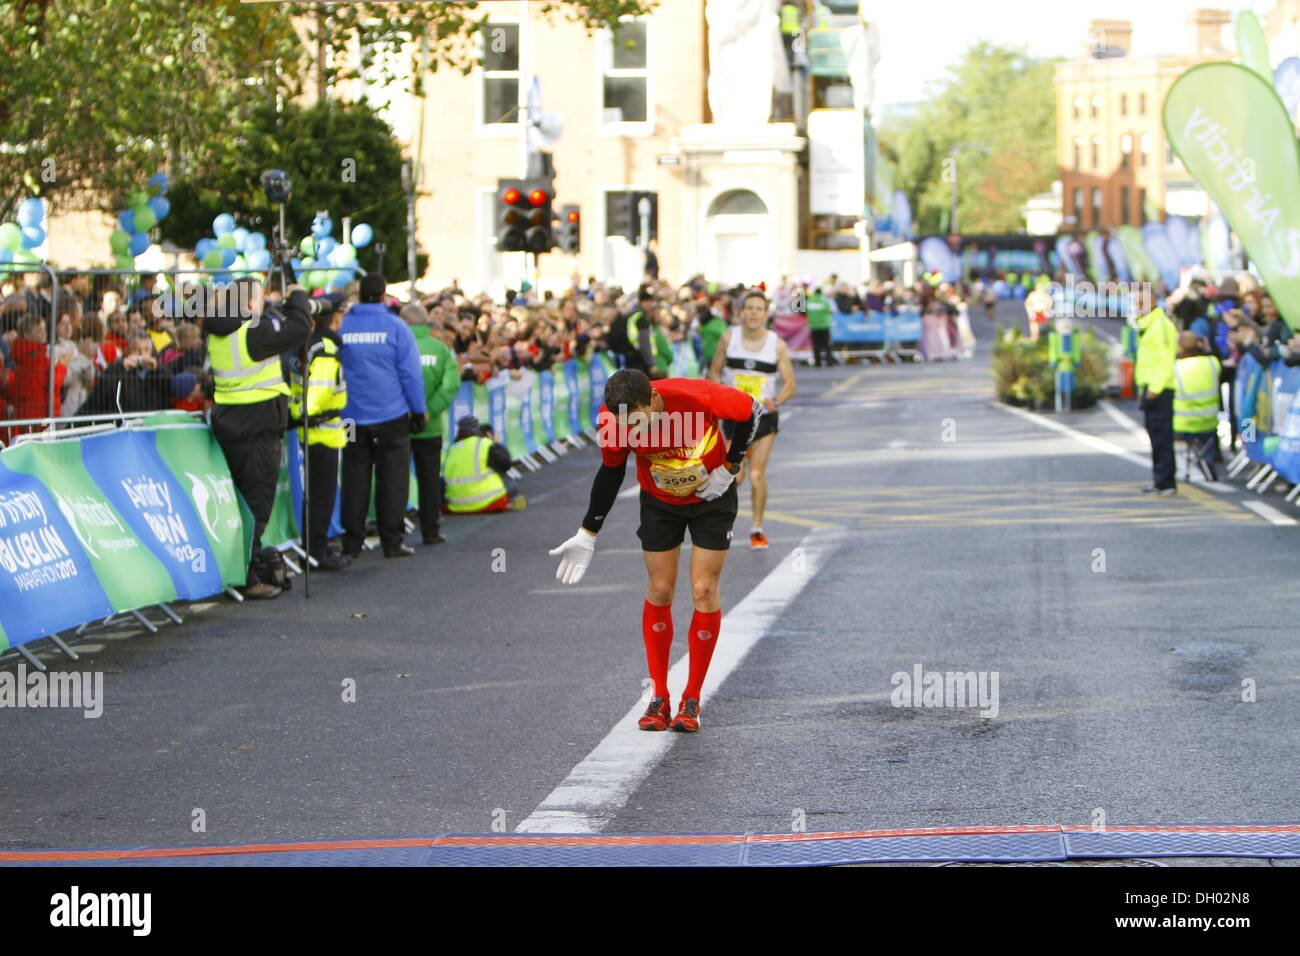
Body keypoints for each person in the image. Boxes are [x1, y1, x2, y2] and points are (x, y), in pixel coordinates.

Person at [548, 368, 765, 733]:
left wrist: (729, 468)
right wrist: (589, 532)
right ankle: (660, 696)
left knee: (703, 589)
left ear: (652, 399)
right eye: (625, 424)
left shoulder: (696, 395)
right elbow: (611, 472)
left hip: (711, 497)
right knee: (661, 589)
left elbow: (752, 412)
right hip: (660, 503)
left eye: (638, 420)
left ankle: (691, 699)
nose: (633, 430)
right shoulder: (613, 419)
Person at [204, 276, 313, 599]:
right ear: (250, 303)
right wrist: (298, 298)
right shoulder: (252, 331)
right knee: (255, 507)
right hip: (258, 429)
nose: (264, 303)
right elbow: (298, 329)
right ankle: (247, 578)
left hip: (232, 424)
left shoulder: (221, 329)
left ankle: (241, 570)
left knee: (242, 505)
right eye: (260, 299)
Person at [337, 272, 426, 559]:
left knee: (353, 476)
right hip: (391, 414)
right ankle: (392, 541)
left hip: (351, 416)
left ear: (360, 294)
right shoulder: (396, 326)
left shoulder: (344, 325)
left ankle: (351, 543)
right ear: (384, 294)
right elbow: (410, 373)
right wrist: (418, 409)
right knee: (393, 479)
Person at [709, 289, 796, 549]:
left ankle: (757, 528)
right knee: (733, 475)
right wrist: (719, 399)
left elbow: (790, 384)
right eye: (749, 309)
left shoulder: (776, 344)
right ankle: (725, 525)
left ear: (766, 313)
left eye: (759, 309)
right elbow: (714, 372)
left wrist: (777, 400)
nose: (754, 313)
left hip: (763, 418)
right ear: (741, 312)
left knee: (757, 474)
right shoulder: (729, 338)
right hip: (734, 416)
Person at [288, 297, 350, 572]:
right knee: (321, 496)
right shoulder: (325, 347)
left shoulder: (308, 342)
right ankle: (317, 551)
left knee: (315, 494)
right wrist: (308, 414)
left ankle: (314, 546)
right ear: (334, 318)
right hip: (321, 429)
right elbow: (321, 389)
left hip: (309, 426)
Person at [403, 302, 461, 544]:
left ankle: (394, 534)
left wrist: (408, 410)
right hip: (431, 424)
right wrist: (429, 411)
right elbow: (450, 385)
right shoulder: (441, 349)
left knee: (397, 480)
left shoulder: (399, 346)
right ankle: (431, 530)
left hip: (400, 423)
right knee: (429, 479)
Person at [1133, 285, 1179, 496]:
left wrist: (1154, 389)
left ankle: (1166, 482)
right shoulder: (1148, 325)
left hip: (1159, 390)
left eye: (1142, 301)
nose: (1138, 306)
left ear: (1153, 301)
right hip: (1149, 387)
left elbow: (1166, 359)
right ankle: (1160, 481)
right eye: (1136, 302)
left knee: (1162, 437)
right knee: (1155, 438)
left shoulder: (1161, 325)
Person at [442, 415, 526, 513]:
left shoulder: (451, 449)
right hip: (487, 502)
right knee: (512, 485)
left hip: (456, 505)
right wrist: (497, 444)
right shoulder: (485, 444)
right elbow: (505, 465)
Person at [82, 332, 173, 414]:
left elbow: (172, 386)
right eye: (136, 349)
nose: (141, 353)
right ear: (128, 351)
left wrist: (158, 368)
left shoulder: (159, 369)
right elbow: (101, 392)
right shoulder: (117, 368)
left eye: (146, 350)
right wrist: (121, 368)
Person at [1173, 330, 1222, 475]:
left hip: (1184, 423)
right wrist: (1206, 348)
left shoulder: (1176, 367)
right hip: (1210, 421)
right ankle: (1209, 460)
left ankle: (1185, 465)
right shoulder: (1212, 363)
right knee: (1208, 440)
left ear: (1180, 348)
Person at [805, 285, 836, 367]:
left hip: (813, 326)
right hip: (824, 325)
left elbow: (805, 312)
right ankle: (829, 362)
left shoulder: (809, 302)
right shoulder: (824, 302)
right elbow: (830, 311)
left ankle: (817, 363)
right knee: (827, 346)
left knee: (816, 345)